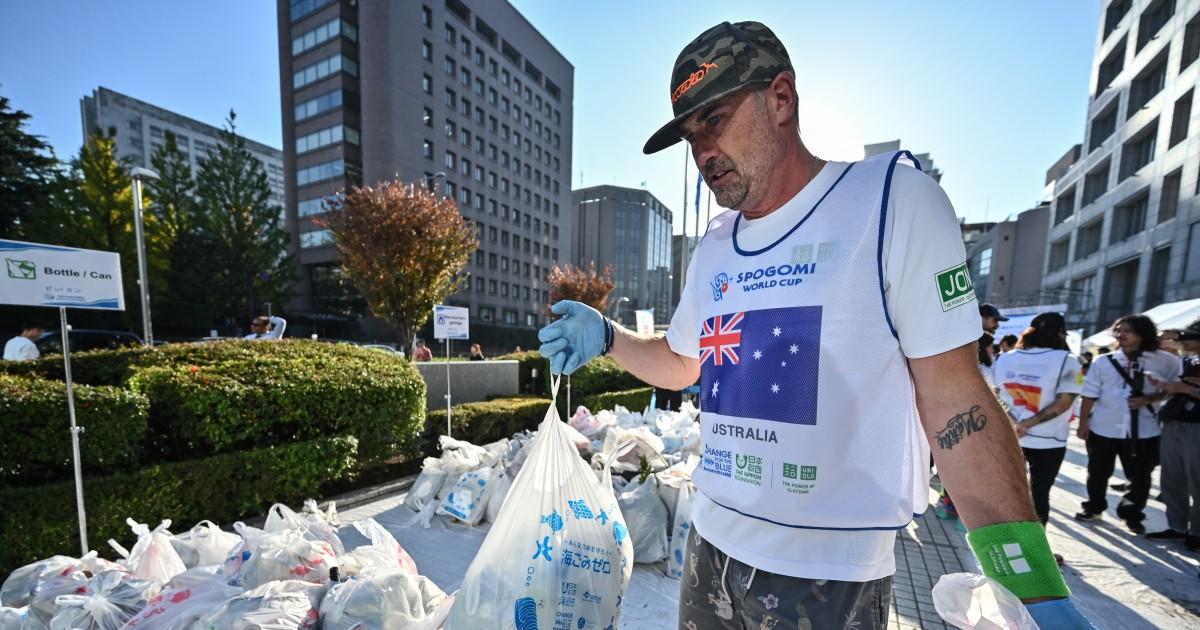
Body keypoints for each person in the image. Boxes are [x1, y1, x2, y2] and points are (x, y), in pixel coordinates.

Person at [538, 21, 1090, 629]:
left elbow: (956, 397)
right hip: (710, 546)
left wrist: (1029, 582)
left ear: (780, 99)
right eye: (691, 138)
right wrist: (610, 337)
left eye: (714, 121)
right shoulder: (716, 247)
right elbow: (682, 361)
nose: (702, 153)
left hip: (831, 576)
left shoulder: (891, 203)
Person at [1075, 314, 1181, 533]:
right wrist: (1083, 422)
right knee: (1097, 472)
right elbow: (1089, 393)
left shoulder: (1166, 361)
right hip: (1104, 426)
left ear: (1142, 334)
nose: (1121, 335)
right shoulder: (1103, 361)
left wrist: (1150, 398)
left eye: (1128, 331)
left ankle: (1132, 514)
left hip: (1144, 429)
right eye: (1119, 330)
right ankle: (1094, 507)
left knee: (1140, 477)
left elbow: (1174, 390)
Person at [993, 313, 1082, 527]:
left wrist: (1015, 423)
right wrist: (1027, 424)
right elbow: (1064, 402)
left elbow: (995, 395)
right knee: (1039, 495)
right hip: (1049, 441)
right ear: (1060, 334)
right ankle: (1037, 551)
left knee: (1007, 492)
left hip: (1010, 436)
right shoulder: (1068, 361)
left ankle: (1006, 544)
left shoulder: (1005, 358)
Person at [1145, 318, 1200, 551]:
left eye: (1188, 337)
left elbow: (1186, 388)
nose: (1182, 341)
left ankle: (1196, 532)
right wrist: (1167, 386)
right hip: (1174, 422)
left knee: (1197, 481)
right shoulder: (1185, 361)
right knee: (1172, 478)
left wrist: (1185, 388)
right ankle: (1177, 526)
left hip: (1196, 426)